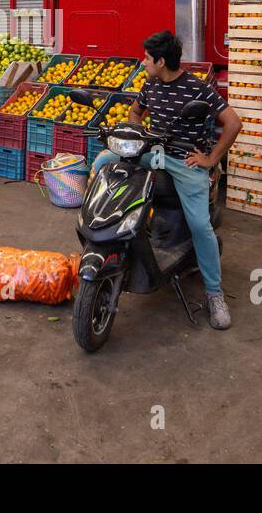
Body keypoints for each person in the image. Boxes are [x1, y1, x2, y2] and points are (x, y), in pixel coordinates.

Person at [89, 30, 242, 331]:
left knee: (200, 225)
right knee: (102, 161)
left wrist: (210, 159)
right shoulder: (152, 84)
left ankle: (214, 294)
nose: (142, 61)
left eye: (147, 58)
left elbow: (234, 123)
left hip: (185, 163)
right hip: (151, 152)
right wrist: (135, 135)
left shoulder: (197, 89)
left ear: (161, 61)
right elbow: (136, 110)